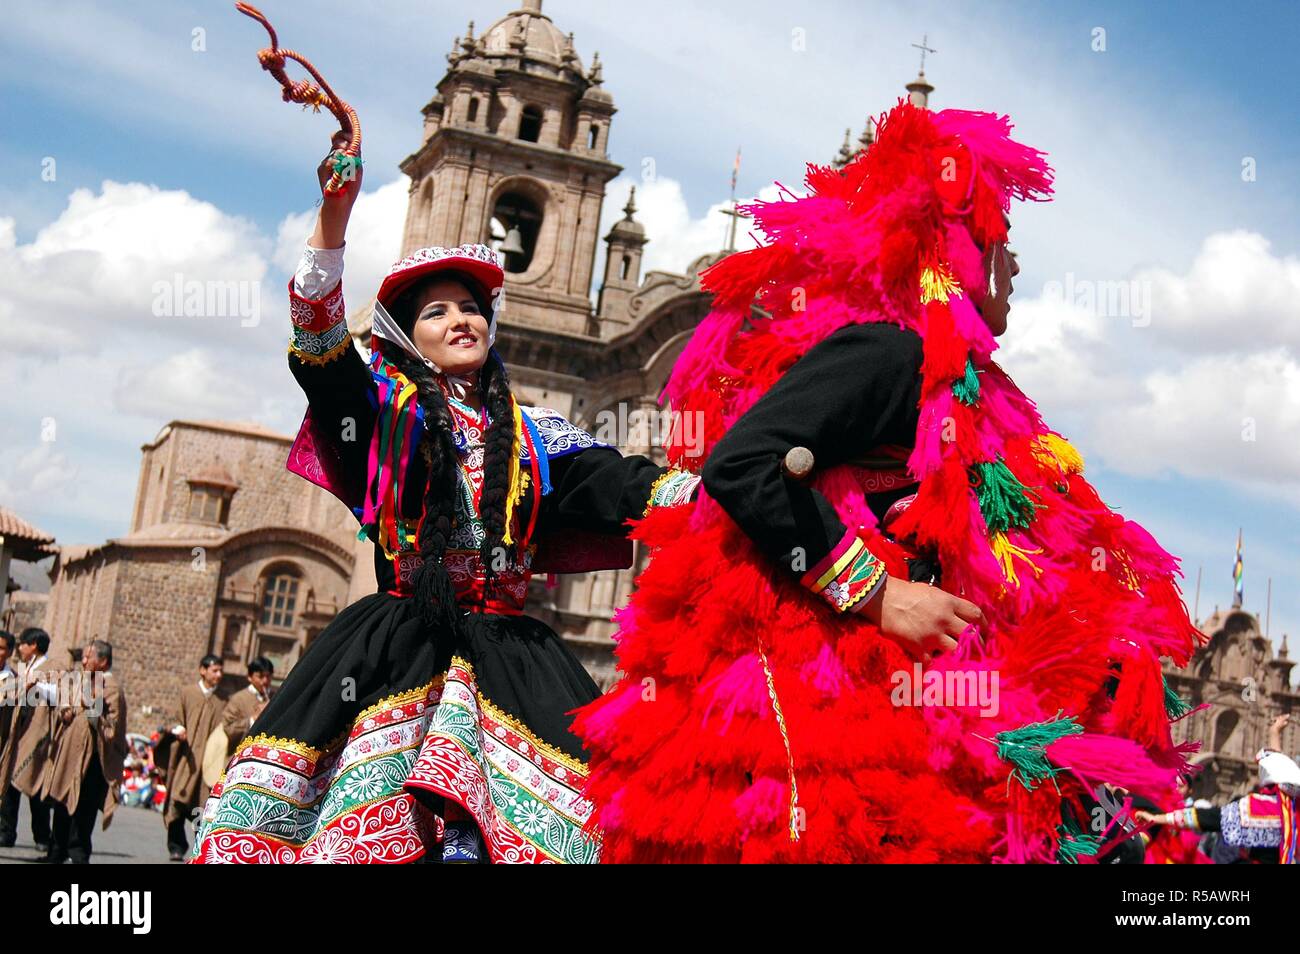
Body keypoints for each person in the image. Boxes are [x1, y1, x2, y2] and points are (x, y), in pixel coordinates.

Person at [571, 99, 1203, 863]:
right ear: (957, 250)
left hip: (917, 700)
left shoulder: (962, 380)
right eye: (1002, 243)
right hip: (838, 705)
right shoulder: (890, 350)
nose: (1015, 266)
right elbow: (744, 463)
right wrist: (880, 594)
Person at [190, 137, 699, 864]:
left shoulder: (537, 437)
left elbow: (624, 484)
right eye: (437, 312)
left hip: (514, 664)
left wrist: (726, 491)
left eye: (472, 308)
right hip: (398, 650)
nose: (462, 319)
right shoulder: (380, 414)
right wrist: (334, 217)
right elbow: (319, 347)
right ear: (406, 336)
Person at [1136, 714, 1298, 864]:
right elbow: (1280, 770)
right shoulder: (1293, 812)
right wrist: (1274, 733)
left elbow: (1209, 818)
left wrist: (1157, 818)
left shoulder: (1259, 807)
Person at [38, 641, 129, 864]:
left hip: (93, 759)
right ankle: (56, 851)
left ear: (103, 661)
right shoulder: (83, 680)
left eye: (89, 657)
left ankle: (78, 855)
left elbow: (110, 729)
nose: (84, 661)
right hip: (71, 753)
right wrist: (66, 712)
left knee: (84, 809)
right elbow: (67, 707)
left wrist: (93, 706)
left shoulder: (110, 688)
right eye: (84, 657)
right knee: (62, 802)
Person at [162, 654, 225, 860]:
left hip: (207, 764)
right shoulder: (187, 693)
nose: (219, 675)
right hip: (185, 759)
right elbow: (174, 718)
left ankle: (201, 847)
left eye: (220, 671)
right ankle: (176, 846)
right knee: (177, 802)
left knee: (201, 806)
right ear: (202, 670)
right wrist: (177, 729)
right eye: (215, 670)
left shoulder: (222, 701)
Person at [0, 628, 58, 851]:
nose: (20, 649)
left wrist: (36, 685)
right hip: (18, 734)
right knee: (10, 785)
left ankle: (42, 836)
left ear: (33, 645)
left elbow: (60, 694)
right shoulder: (23, 669)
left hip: (37, 735)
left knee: (35, 786)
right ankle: (6, 831)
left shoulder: (51, 667)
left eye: (22, 644)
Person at [219, 656, 273, 754]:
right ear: (249, 677)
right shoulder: (238, 699)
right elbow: (228, 727)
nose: (265, 681)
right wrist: (252, 720)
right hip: (241, 754)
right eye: (260, 676)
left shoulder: (275, 697)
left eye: (268, 676)